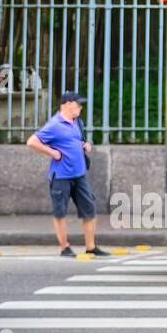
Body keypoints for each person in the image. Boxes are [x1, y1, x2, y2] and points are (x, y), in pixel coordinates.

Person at [26, 91, 109, 258]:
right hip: (61, 176)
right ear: (68, 104)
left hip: (79, 175)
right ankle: (65, 247)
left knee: (89, 209)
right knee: (60, 212)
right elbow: (32, 142)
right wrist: (52, 152)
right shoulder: (54, 125)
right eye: (78, 104)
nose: (81, 107)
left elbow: (75, 140)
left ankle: (91, 247)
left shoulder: (77, 122)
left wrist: (85, 144)